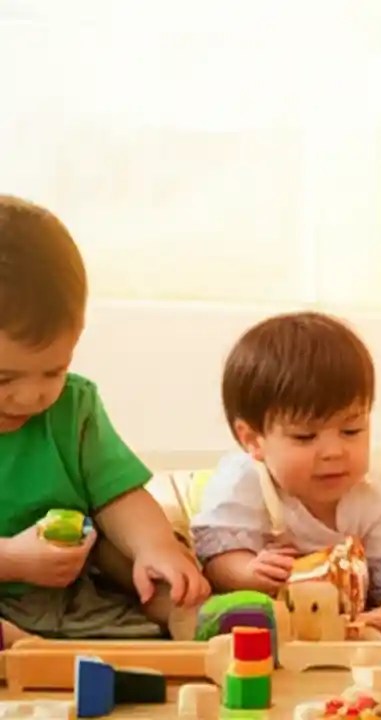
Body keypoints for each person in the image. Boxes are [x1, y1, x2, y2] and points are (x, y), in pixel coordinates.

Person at [0, 195, 209, 644]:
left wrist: (155, 549)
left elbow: (120, 497)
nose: (31, 394)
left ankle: (186, 624)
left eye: (54, 370)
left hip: (74, 598)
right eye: (4, 378)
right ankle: (20, 648)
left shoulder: (75, 407)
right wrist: (13, 560)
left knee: (161, 577)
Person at [190, 311, 381, 638]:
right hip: (269, 611)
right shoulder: (246, 481)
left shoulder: (370, 493)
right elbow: (216, 556)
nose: (334, 452)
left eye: (352, 430)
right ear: (253, 440)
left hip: (335, 618)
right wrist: (246, 571)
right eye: (305, 437)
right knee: (230, 609)